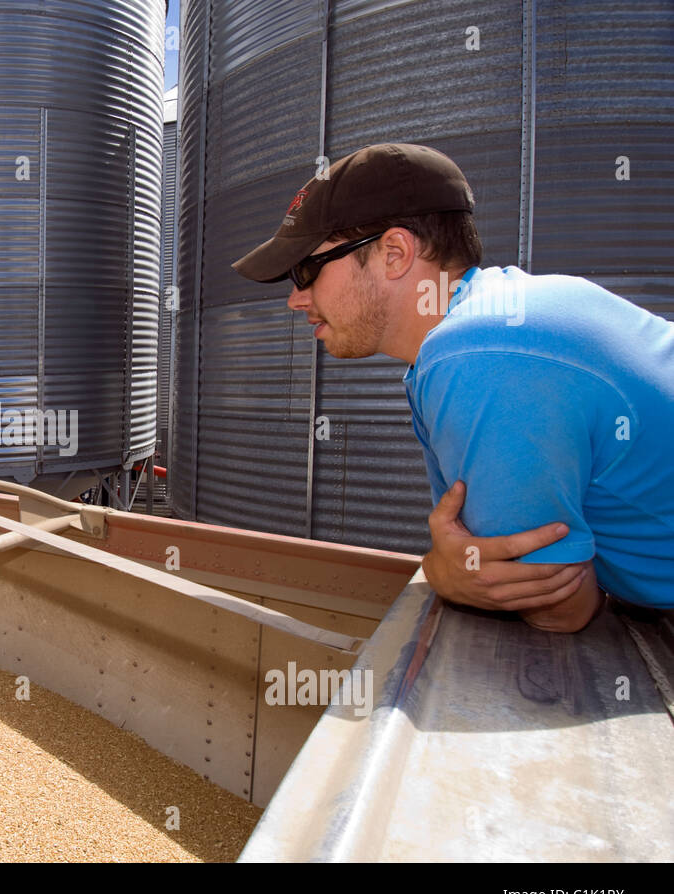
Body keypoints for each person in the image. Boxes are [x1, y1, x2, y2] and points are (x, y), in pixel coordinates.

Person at [230, 143, 674, 633]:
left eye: (306, 270)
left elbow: (558, 601)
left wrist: (443, 573)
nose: (296, 299)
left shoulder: (476, 353)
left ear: (394, 253)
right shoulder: (500, 314)